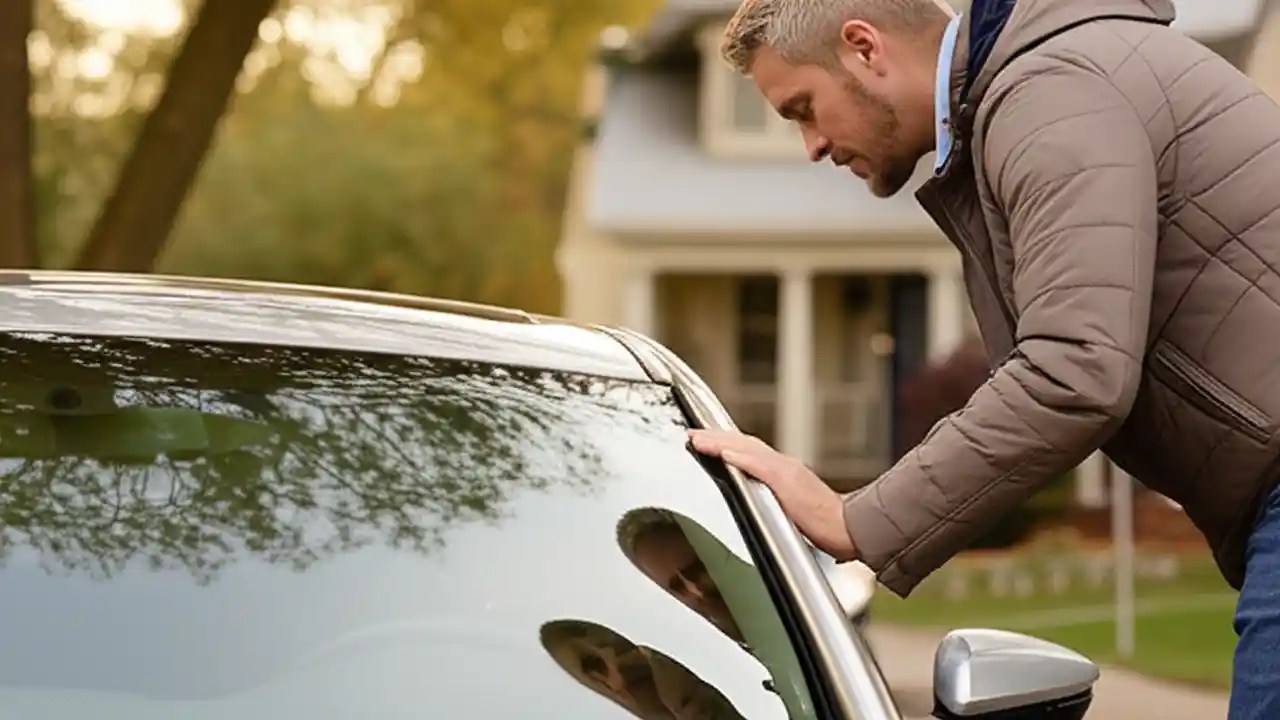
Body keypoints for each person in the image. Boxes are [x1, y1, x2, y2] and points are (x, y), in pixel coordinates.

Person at [684, 0, 1280, 717]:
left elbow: (1074, 372)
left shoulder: (1049, 95)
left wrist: (855, 521)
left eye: (804, 108)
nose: (811, 144)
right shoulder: (1037, 90)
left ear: (864, 48)